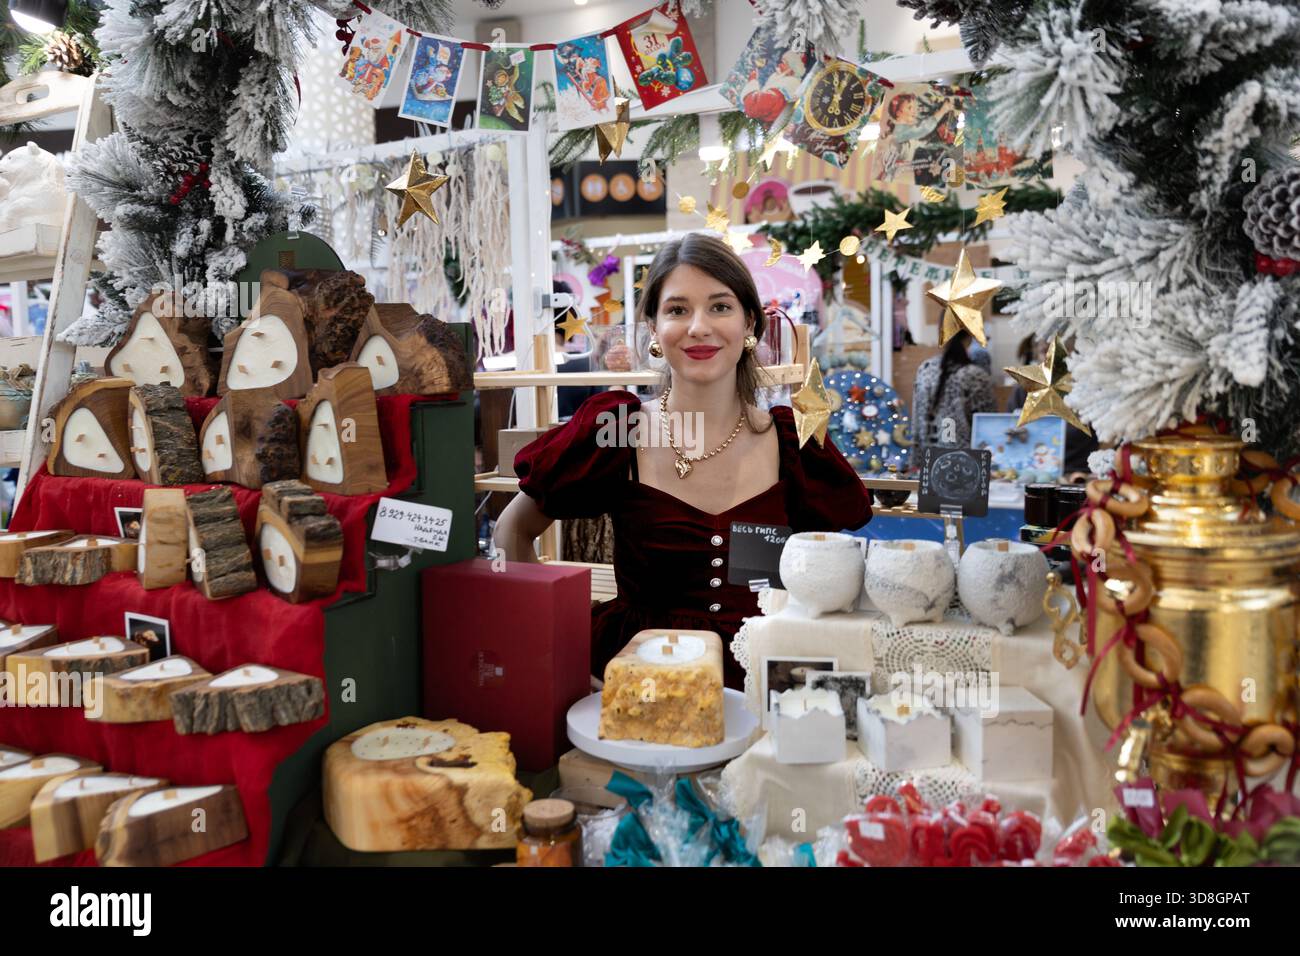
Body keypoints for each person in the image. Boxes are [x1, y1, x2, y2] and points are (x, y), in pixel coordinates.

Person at [497, 232, 873, 687]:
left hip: (760, 692)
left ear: (749, 322)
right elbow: (511, 532)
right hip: (637, 689)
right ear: (653, 329)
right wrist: (561, 640)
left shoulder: (791, 442)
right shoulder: (618, 432)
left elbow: (830, 579)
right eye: (677, 309)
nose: (698, 327)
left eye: (720, 306)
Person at [911, 329, 996, 451]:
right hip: (967, 462)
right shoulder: (976, 376)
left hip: (929, 461)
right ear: (970, 335)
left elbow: (916, 427)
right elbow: (988, 428)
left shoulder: (925, 369)